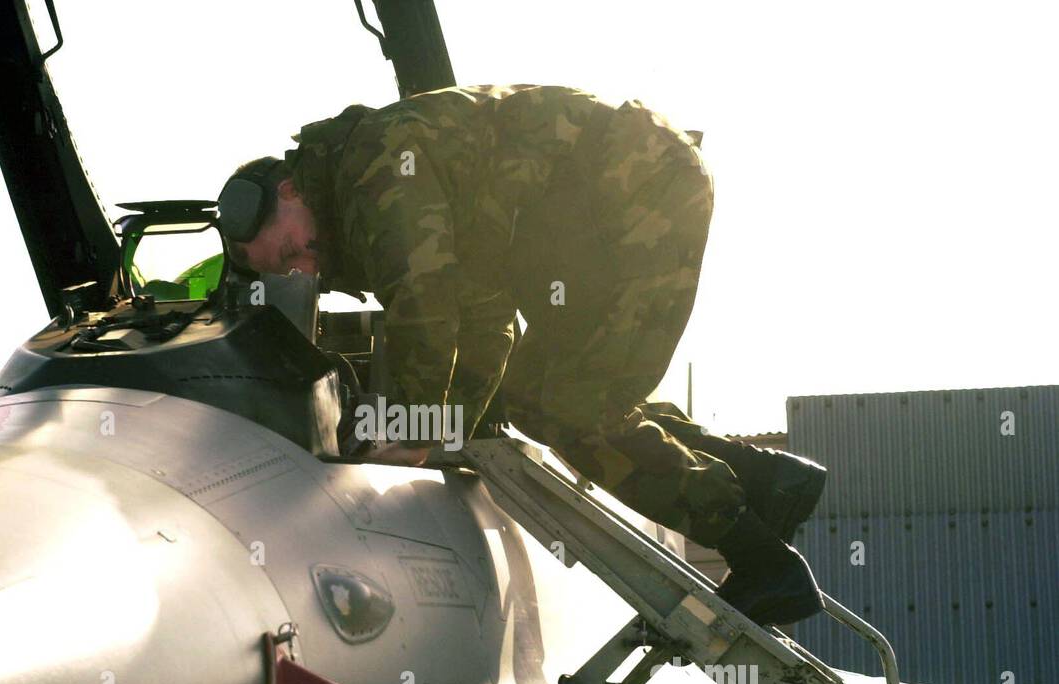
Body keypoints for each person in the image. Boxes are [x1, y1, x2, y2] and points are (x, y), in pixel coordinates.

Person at [217, 84, 825, 626]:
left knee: (566, 404)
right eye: (289, 269)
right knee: (557, 391)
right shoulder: (378, 185)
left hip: (635, 192)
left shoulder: (374, 170)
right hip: (625, 195)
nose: (303, 267)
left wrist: (410, 425)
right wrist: (460, 427)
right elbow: (485, 319)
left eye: (288, 250)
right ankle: (767, 480)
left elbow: (423, 301)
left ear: (290, 191)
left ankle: (765, 563)